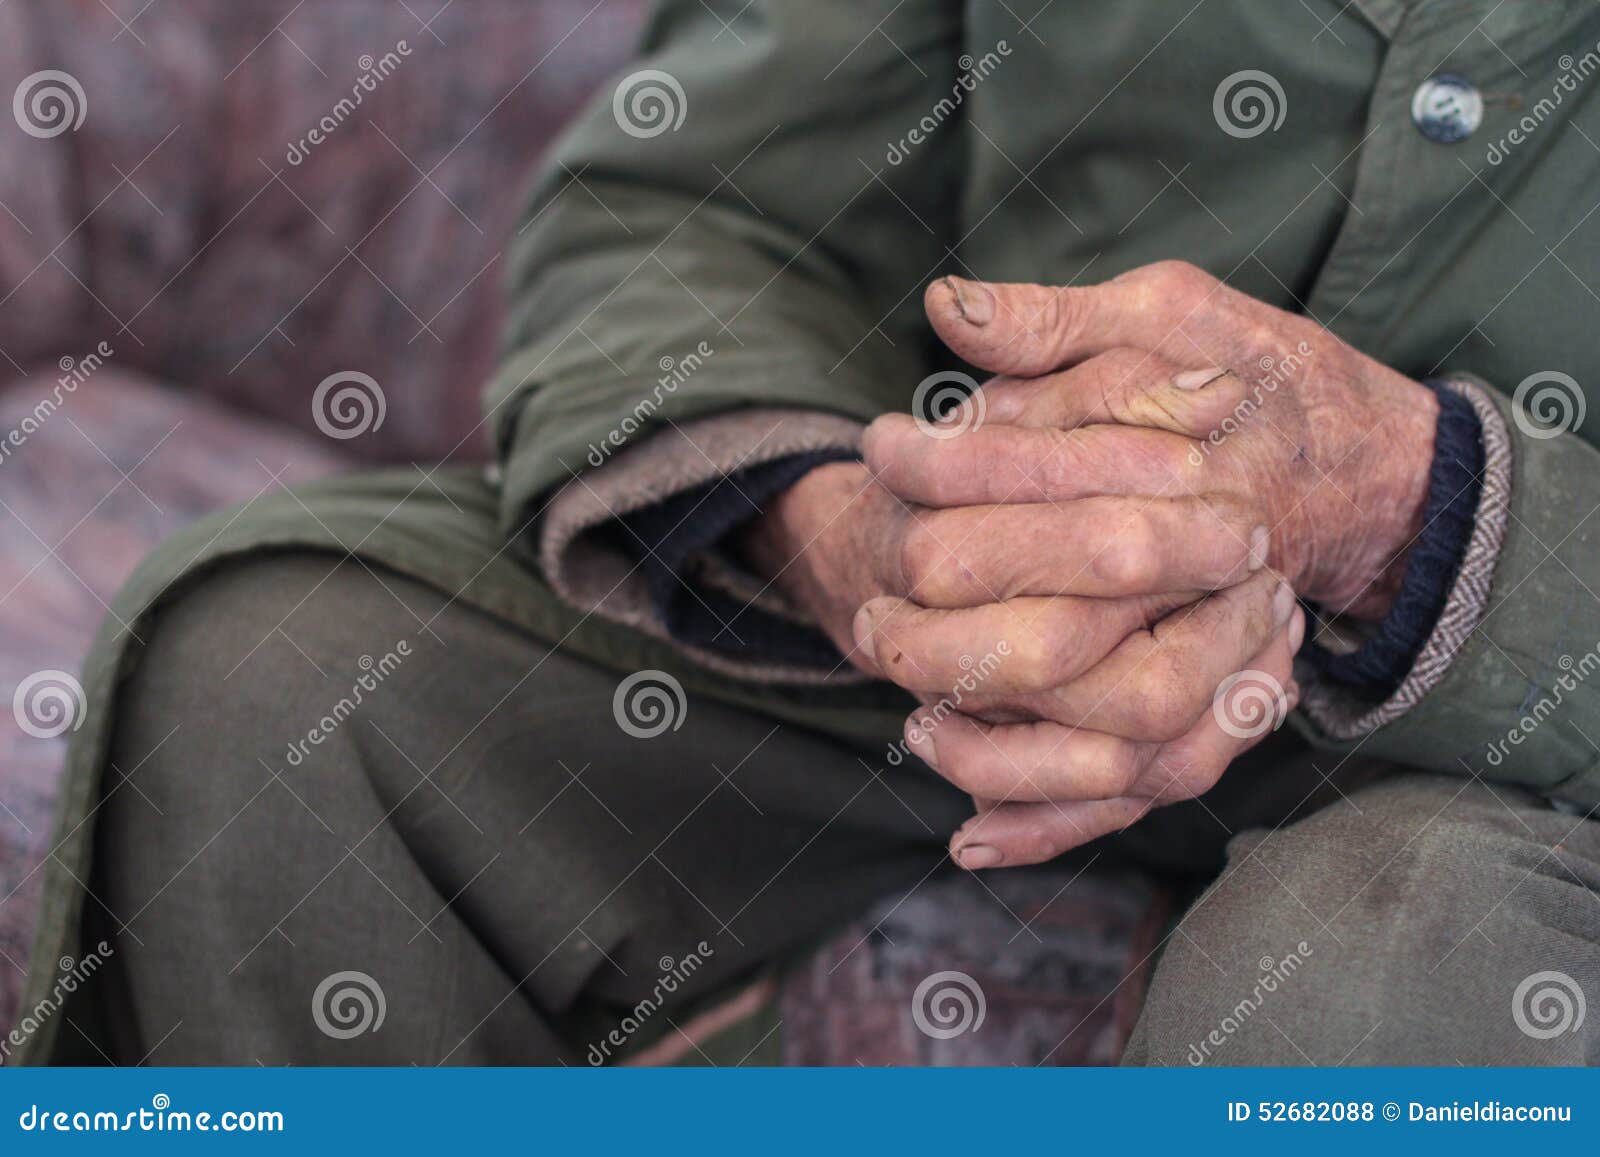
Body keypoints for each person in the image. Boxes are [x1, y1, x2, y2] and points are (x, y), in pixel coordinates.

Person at [17, 0, 1600, 1065]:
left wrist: (1420, 519)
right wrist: (860, 544)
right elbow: (694, 209)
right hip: (954, 631)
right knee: (273, 687)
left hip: (1542, 757)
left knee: (1383, 981)